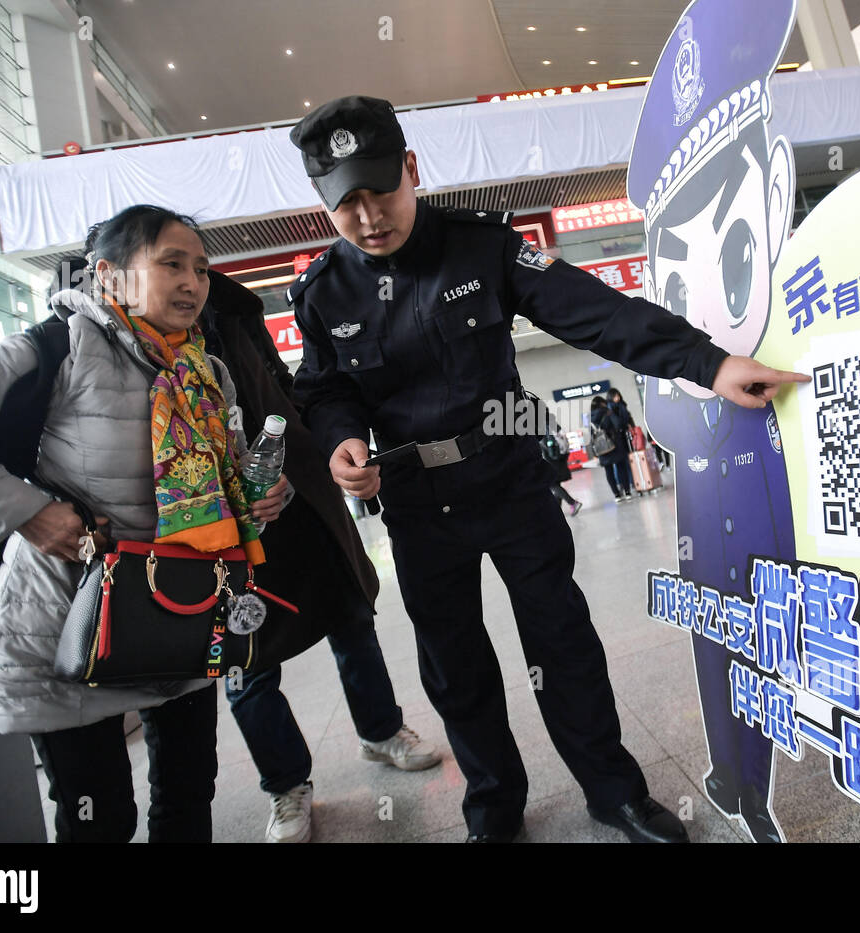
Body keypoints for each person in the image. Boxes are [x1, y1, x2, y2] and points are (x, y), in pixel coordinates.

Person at [285, 95, 807, 843]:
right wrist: (340, 439)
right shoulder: (322, 293)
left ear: (410, 167)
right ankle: (494, 808)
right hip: (416, 501)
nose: (369, 216)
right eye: (348, 204)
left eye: (381, 189)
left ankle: (613, 789)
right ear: (325, 205)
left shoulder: (482, 246)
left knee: (562, 642)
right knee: (454, 666)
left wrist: (710, 362)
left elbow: (599, 313)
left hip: (509, 480)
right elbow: (324, 387)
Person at [0, 205, 287, 842]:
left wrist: (265, 496)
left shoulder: (207, 373)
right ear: (111, 275)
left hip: (181, 610)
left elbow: (231, 475)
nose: (193, 282)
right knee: (97, 816)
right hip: (64, 613)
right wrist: (29, 514)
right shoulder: (55, 348)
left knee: (188, 799)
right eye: (172, 264)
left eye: (203, 269)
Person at [630, 0, 799, 842]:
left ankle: (756, 790)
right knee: (715, 654)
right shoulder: (672, 377)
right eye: (677, 278)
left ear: (773, 196)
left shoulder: (799, 337)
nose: (701, 305)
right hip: (704, 541)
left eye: (729, 254)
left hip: (780, 545)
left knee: (770, 660)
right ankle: (731, 778)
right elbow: (661, 409)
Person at [198, 269, 440, 844]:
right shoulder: (127, 348)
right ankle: (285, 786)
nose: (185, 279)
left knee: (350, 617)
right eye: (167, 264)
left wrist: (311, 448)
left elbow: (283, 384)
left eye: (191, 262)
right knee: (246, 658)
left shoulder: (232, 308)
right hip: (214, 525)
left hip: (299, 489)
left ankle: (381, 731)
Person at [589, 396, 632, 502]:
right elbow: (618, 424)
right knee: (621, 468)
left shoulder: (590, 418)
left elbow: (590, 435)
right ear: (603, 403)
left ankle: (617, 495)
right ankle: (627, 492)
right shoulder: (608, 412)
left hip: (601, 447)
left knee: (609, 472)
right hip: (615, 444)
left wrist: (594, 452)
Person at [607, 388, 646, 498]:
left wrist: (632, 427)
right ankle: (624, 484)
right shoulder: (609, 408)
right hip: (618, 439)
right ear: (610, 397)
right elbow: (616, 423)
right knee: (621, 463)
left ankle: (633, 482)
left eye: (618, 395)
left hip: (627, 437)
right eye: (615, 396)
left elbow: (628, 418)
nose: (617, 398)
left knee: (630, 461)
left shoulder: (622, 405)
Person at [539, 422, 581, 516]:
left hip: (552, 460)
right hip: (560, 459)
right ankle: (557, 512)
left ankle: (573, 503)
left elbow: (547, 445)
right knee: (556, 484)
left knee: (552, 484)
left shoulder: (543, 426)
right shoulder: (552, 423)